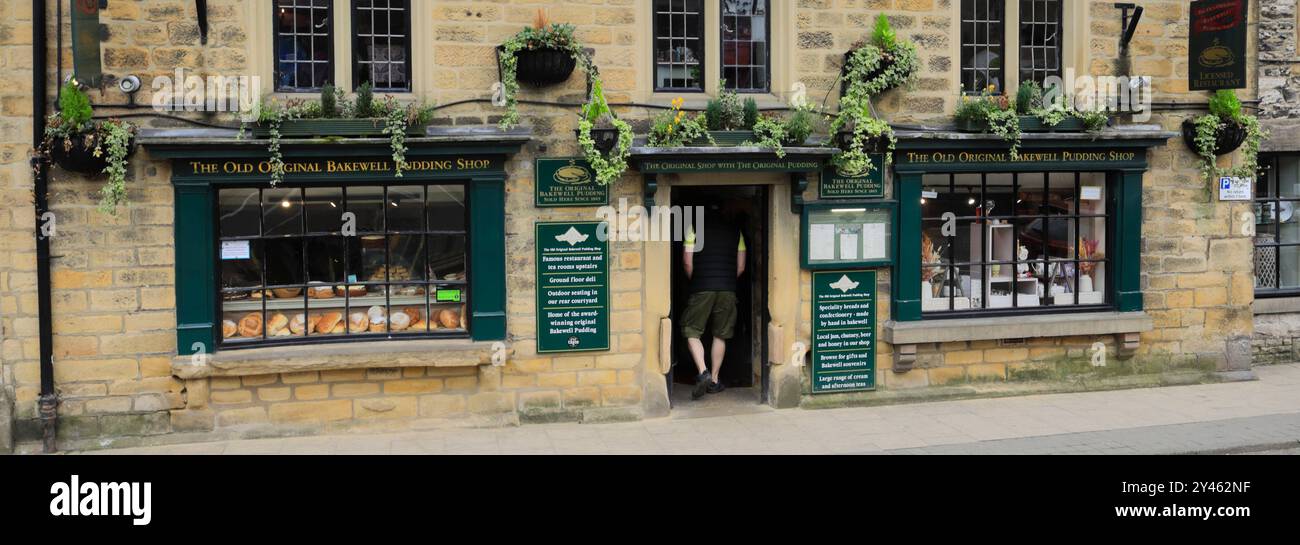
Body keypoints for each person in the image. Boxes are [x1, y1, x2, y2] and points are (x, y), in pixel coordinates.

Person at [681, 198, 746, 400]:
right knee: (721, 334)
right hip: (727, 288)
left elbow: (687, 262)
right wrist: (726, 281)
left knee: (691, 330)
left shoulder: (694, 228)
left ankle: (703, 372)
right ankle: (715, 380)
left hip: (701, 286)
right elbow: (741, 266)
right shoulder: (737, 232)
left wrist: (697, 280)